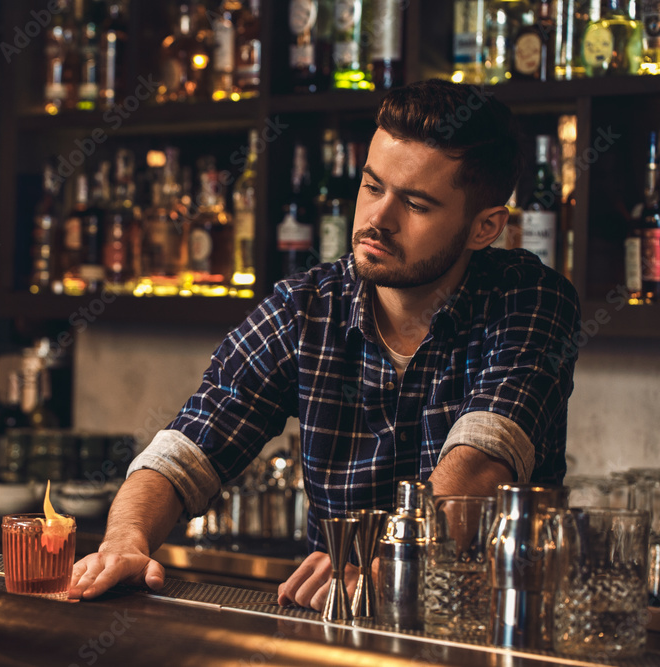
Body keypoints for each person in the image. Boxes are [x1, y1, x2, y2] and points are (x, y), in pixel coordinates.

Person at [69, 79, 581, 611]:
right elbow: (187, 448)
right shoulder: (307, 308)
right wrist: (125, 540)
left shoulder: (530, 300)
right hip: (340, 631)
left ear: (485, 227)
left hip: (489, 633)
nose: (378, 219)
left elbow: (479, 463)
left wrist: (383, 569)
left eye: (416, 204)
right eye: (372, 186)